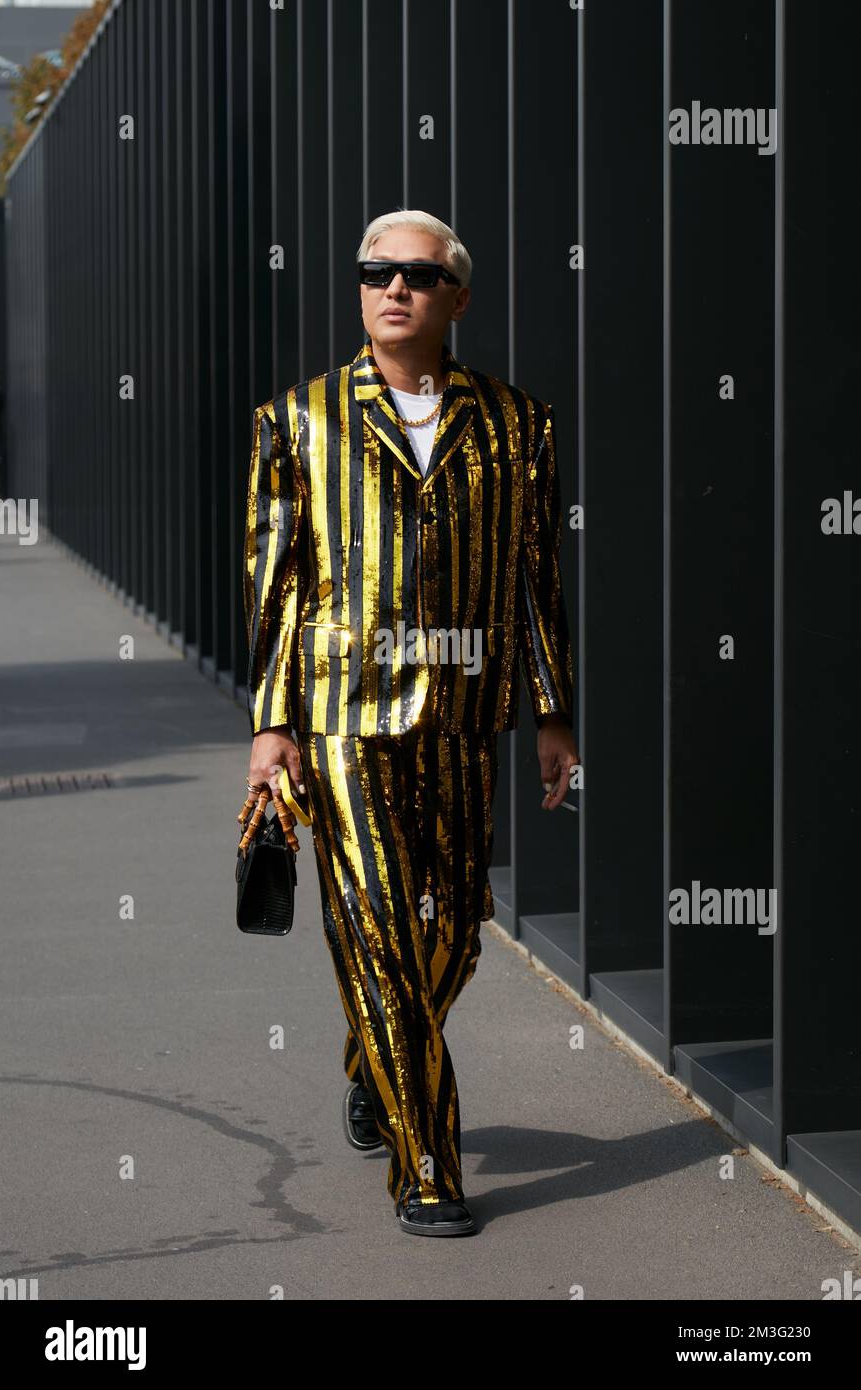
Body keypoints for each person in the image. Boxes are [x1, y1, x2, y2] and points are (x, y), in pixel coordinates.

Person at [239, 209, 580, 1238]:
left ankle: (369, 1057)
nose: (393, 288)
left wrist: (553, 714)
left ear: (455, 297)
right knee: (380, 926)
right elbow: (274, 583)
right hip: (343, 718)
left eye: (417, 276)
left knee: (454, 935)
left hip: (466, 715)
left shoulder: (520, 423)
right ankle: (425, 1163)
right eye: (373, 271)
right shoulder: (293, 421)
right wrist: (270, 725)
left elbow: (534, 580)